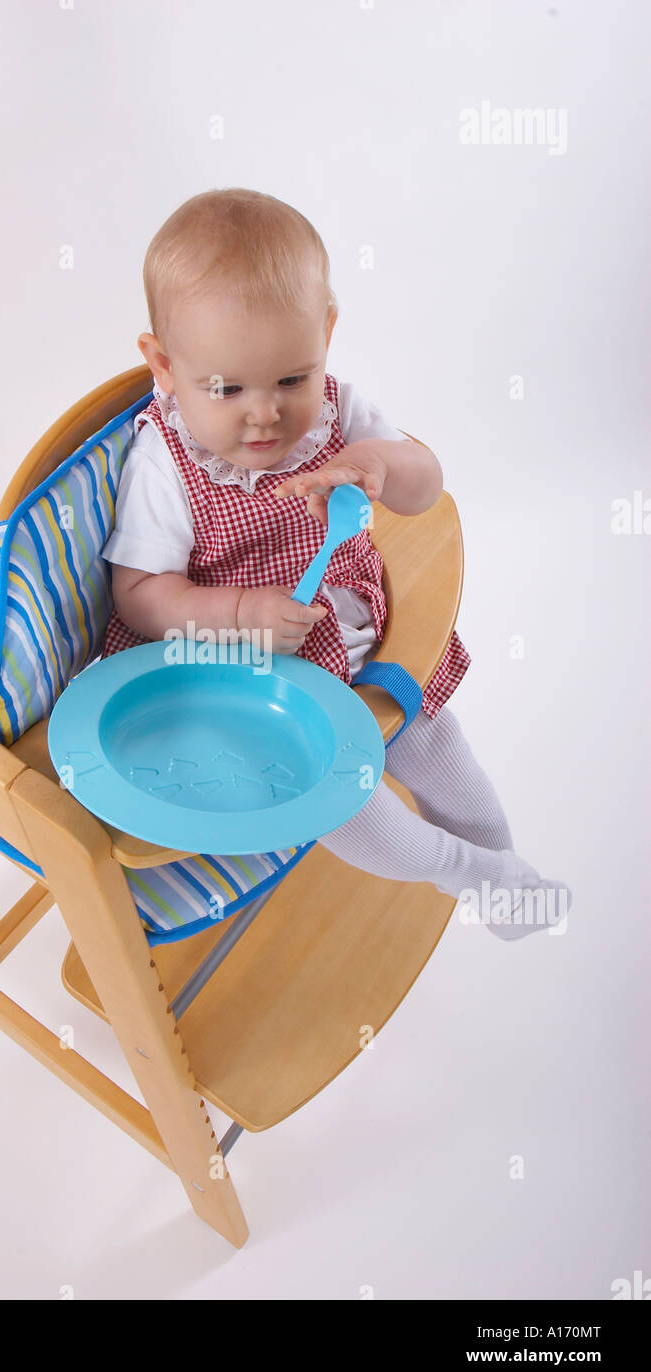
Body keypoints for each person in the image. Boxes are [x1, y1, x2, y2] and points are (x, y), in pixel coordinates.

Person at [99, 188, 571, 940]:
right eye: (226, 389)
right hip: (251, 685)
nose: (266, 414)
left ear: (325, 333)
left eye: (291, 378)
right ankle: (465, 872)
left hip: (357, 645)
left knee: (448, 757)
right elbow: (140, 598)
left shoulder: (336, 413)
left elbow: (426, 483)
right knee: (346, 807)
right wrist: (240, 614)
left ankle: (506, 882)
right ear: (162, 364)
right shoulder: (165, 460)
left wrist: (379, 466)